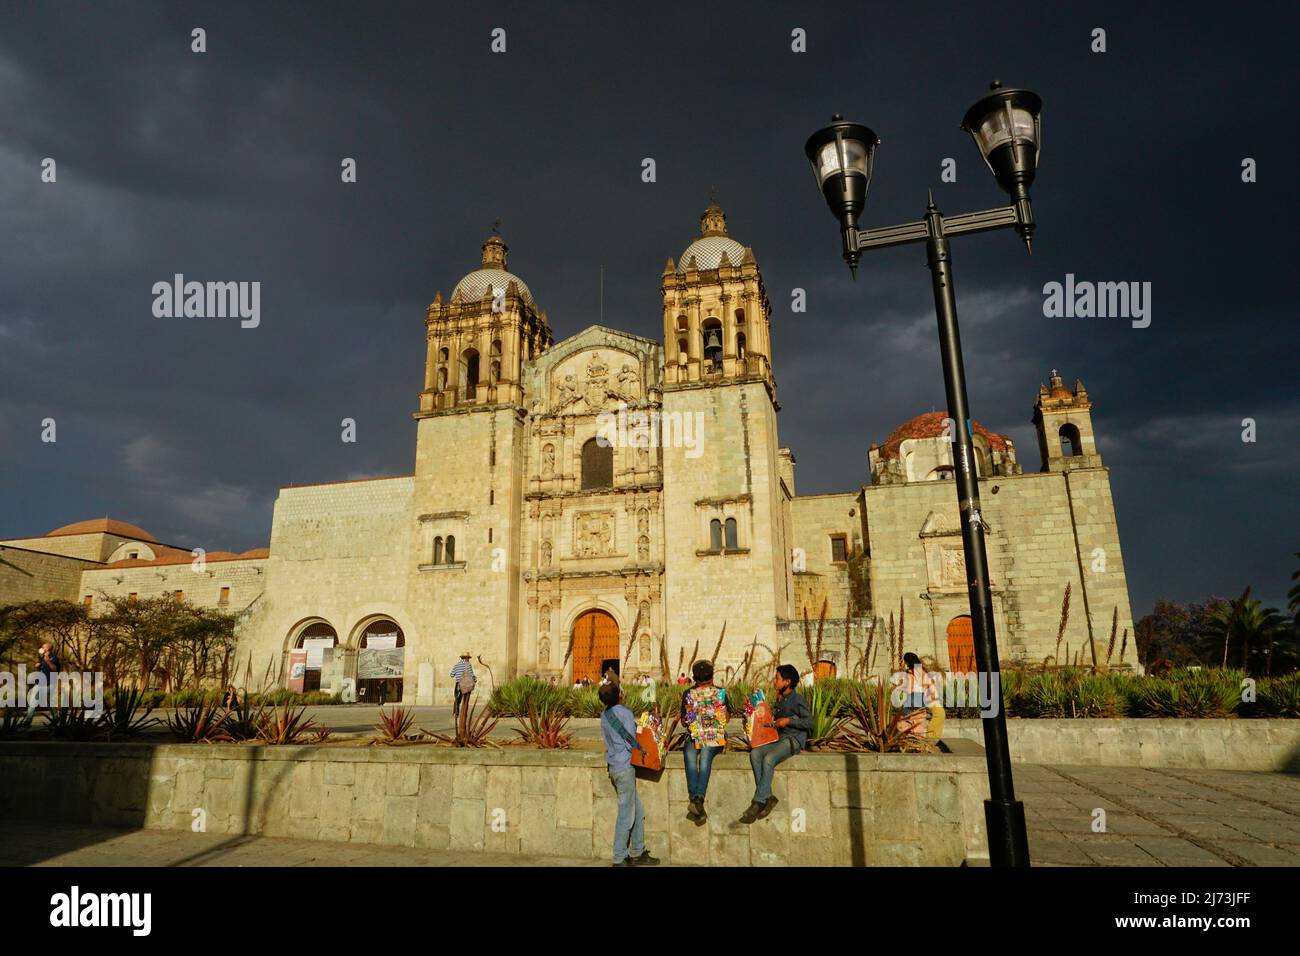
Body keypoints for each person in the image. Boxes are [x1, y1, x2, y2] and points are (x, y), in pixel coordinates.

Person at [739, 663, 811, 824]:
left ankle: (758, 802)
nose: (774, 681)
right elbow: (774, 722)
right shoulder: (780, 699)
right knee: (755, 753)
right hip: (779, 739)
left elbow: (809, 722)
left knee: (769, 759)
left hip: (793, 740)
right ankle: (768, 796)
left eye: (777, 678)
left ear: (787, 682)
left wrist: (789, 721)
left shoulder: (797, 700)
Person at [599, 682, 659, 867]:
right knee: (626, 814)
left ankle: (637, 852)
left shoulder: (604, 715)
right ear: (619, 696)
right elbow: (631, 741)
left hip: (614, 766)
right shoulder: (624, 713)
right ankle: (618, 858)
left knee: (638, 811)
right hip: (625, 767)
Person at [679, 659, 727, 825]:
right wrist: (692, 714)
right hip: (695, 736)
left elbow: (725, 718)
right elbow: (685, 722)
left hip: (713, 736)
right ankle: (697, 801)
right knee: (691, 756)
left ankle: (696, 799)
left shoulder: (718, 694)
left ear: (694, 678)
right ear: (711, 677)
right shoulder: (692, 695)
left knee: (703, 754)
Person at [899, 652, 938, 736]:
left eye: (905, 662)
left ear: (908, 661)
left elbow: (910, 688)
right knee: (916, 721)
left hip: (915, 698)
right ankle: (916, 742)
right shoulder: (920, 671)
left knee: (908, 720)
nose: (905, 664)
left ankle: (913, 740)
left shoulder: (915, 672)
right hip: (919, 700)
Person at [23, 642, 60, 725]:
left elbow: (55, 670)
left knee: (49, 702)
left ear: (48, 649)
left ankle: (56, 718)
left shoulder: (54, 658)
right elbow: (41, 671)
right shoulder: (42, 658)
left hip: (49, 683)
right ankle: (28, 721)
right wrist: (37, 667)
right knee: (32, 701)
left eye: (43, 647)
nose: (42, 649)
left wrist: (48, 661)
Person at [450, 653, 476, 727]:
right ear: (466, 658)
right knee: (465, 701)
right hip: (465, 685)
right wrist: (475, 679)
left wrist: (458, 675)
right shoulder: (468, 664)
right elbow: (471, 674)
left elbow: (451, 675)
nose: (468, 659)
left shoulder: (456, 665)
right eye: (468, 658)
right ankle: (464, 714)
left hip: (458, 685)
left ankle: (456, 712)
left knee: (457, 699)